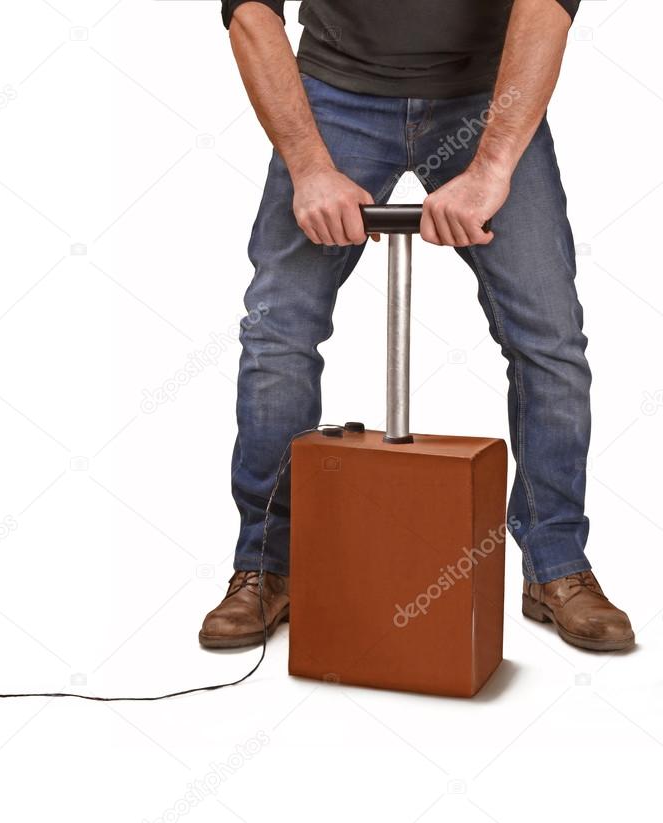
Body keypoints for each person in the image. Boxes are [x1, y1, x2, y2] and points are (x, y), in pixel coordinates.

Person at [200, 0, 635, 652]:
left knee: (551, 339)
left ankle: (557, 565)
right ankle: (266, 564)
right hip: (335, 95)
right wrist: (311, 167)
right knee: (277, 331)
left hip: (488, 97)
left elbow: (545, 6)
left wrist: (490, 167)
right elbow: (250, 12)